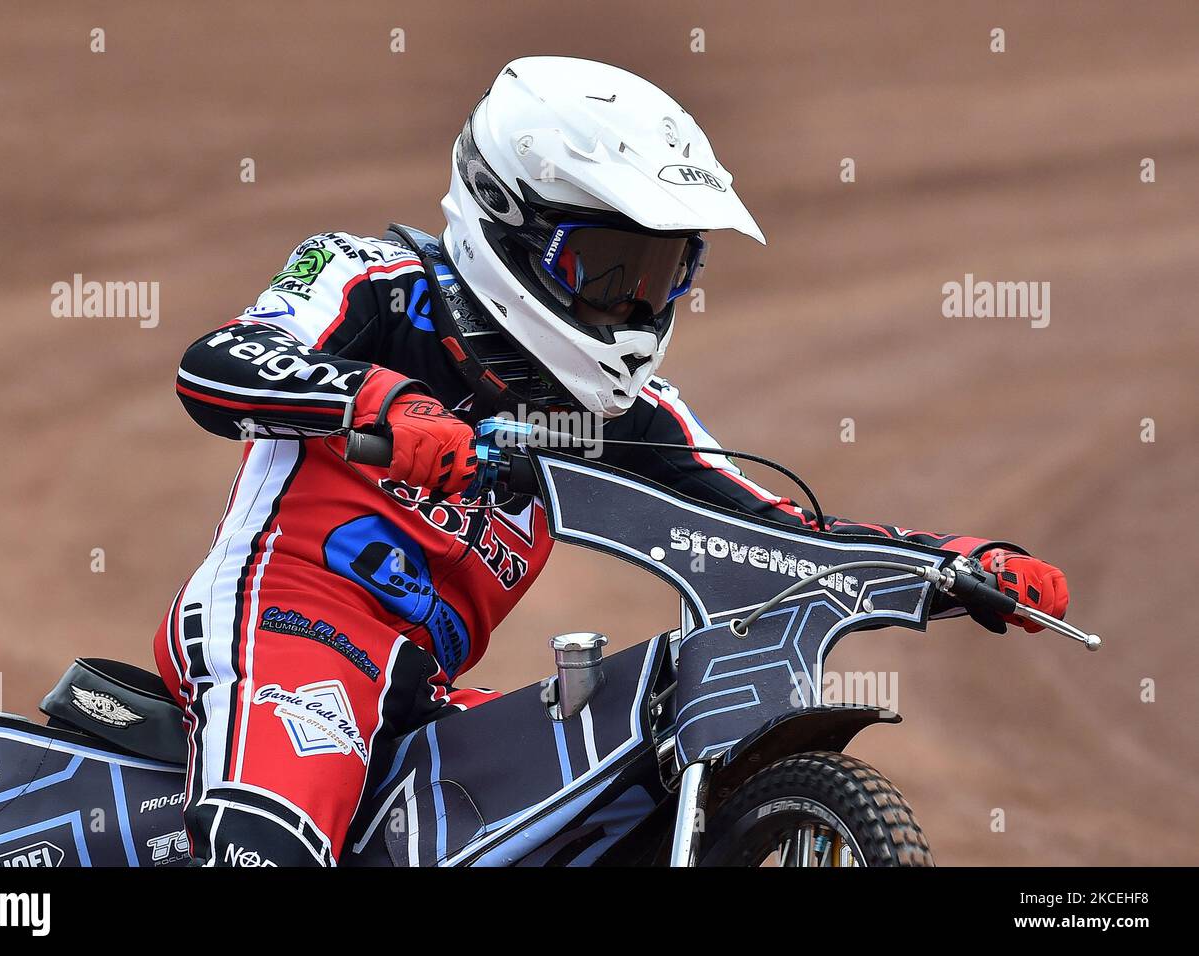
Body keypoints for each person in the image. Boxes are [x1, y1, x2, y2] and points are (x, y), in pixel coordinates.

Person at [153, 56, 1069, 866]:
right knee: (270, 843)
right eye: (606, 269)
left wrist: (950, 565)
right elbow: (215, 365)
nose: (634, 306)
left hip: (419, 692)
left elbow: (775, 535)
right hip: (288, 627)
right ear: (505, 221)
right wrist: (379, 402)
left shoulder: (628, 414)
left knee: (615, 800)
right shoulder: (371, 281)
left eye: (662, 273)